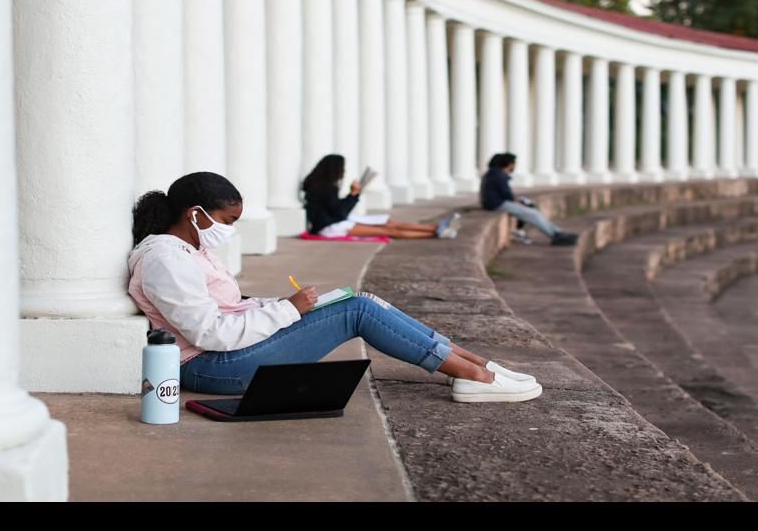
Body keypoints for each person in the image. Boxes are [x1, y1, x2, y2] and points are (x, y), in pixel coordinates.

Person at [129, 172, 541, 404]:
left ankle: (477, 366)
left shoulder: (189, 251)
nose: (229, 230)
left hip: (230, 354)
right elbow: (209, 334)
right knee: (357, 310)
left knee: (360, 300)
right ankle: (474, 376)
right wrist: (288, 310)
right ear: (195, 214)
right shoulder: (166, 260)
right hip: (212, 367)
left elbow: (227, 307)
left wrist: (282, 305)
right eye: (227, 221)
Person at [302, 154, 457, 241]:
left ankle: (437, 228)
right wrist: (353, 195)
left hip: (334, 222)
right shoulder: (327, 188)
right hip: (330, 227)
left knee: (388, 224)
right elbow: (340, 212)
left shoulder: (319, 186)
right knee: (388, 230)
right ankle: (435, 232)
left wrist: (353, 194)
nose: (344, 171)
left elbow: (335, 210)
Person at [481, 153, 577, 246]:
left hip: (496, 202)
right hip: (497, 204)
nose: (514, 166)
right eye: (513, 164)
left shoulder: (494, 173)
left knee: (533, 211)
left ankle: (557, 232)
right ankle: (555, 235)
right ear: (509, 164)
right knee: (533, 214)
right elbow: (507, 194)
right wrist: (516, 202)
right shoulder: (498, 175)